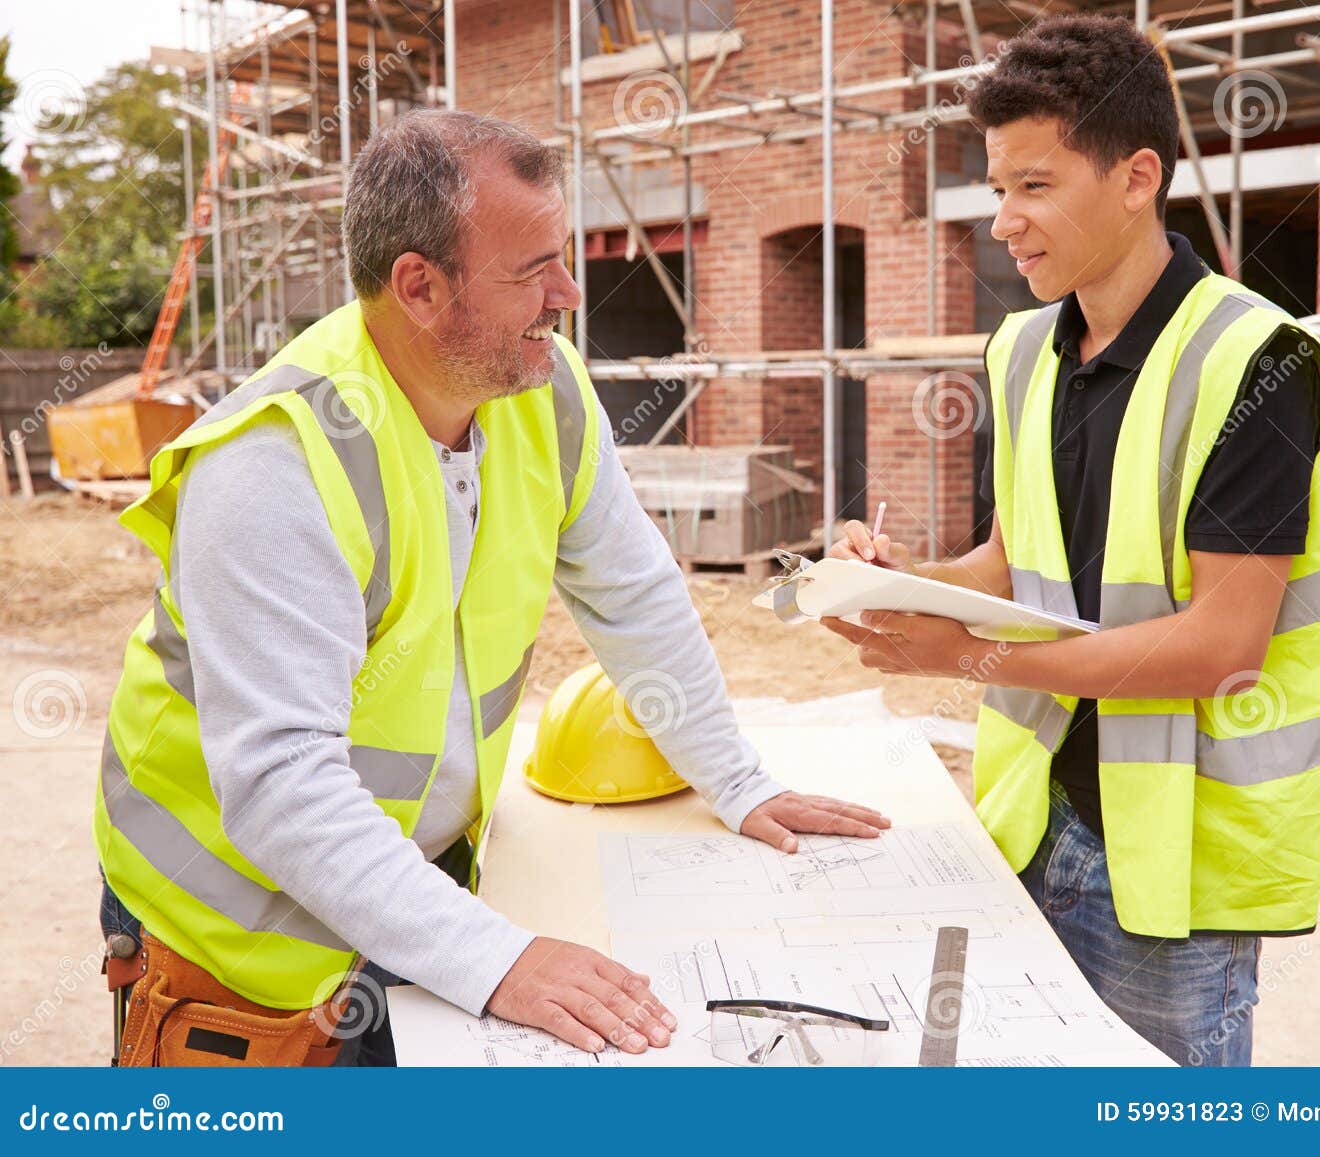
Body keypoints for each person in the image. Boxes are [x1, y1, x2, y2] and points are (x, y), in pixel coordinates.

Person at [95, 109, 889, 1066]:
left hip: (410, 896)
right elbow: (278, 785)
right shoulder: (275, 461)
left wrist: (736, 779)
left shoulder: (539, 392)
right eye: (532, 272)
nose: (567, 295)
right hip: (236, 944)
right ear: (419, 287)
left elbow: (635, 594)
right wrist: (498, 958)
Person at [824, 14, 1320, 1066]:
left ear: (1134, 176)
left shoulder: (1258, 363)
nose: (1003, 220)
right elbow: (1016, 563)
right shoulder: (1022, 349)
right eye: (996, 186)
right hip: (1028, 823)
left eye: (1033, 184)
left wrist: (960, 654)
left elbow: (1219, 649)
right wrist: (898, 581)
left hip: (1172, 875)